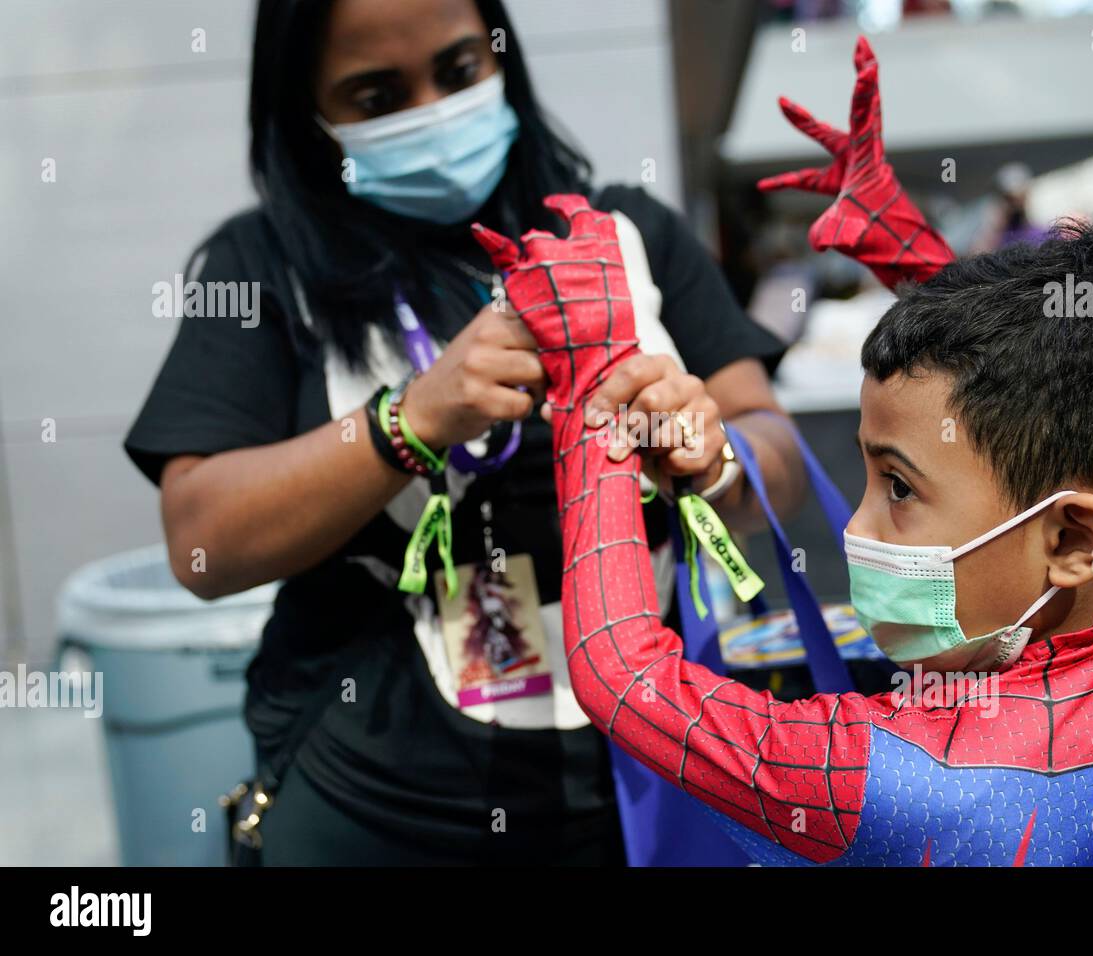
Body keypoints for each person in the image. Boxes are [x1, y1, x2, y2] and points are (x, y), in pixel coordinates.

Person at [475, 38, 1093, 866]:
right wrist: (902, 248)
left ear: (1073, 541)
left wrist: (590, 388)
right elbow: (1062, 405)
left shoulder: (897, 781)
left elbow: (626, 677)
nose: (854, 526)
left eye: (898, 488)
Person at [124, 0, 807, 865]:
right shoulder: (262, 269)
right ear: (307, 112)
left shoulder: (629, 232)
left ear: (501, 60)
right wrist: (406, 422)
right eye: (375, 98)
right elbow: (200, 543)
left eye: (457, 73)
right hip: (383, 806)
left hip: (659, 772)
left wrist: (718, 461)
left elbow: (774, 456)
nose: (432, 114)